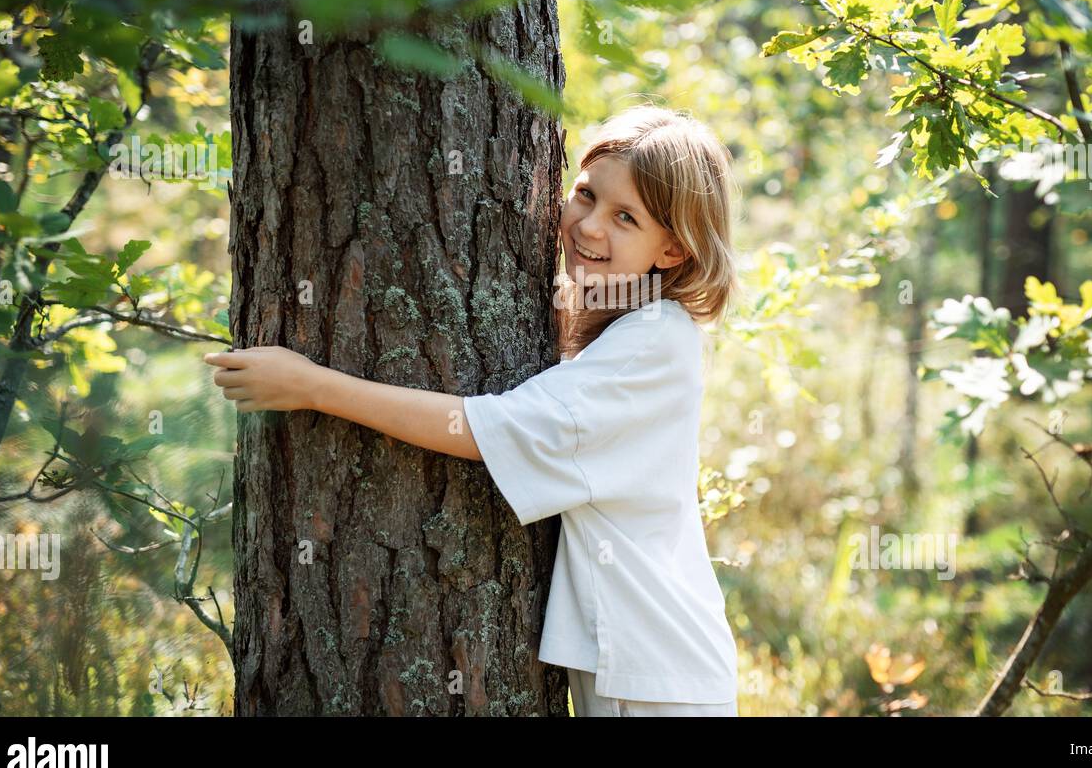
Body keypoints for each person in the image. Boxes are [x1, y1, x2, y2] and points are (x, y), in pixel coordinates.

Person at [204, 105, 743, 717]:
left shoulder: (653, 340)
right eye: (586, 195)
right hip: (640, 664)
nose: (589, 226)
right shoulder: (621, 320)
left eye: (626, 217)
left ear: (673, 248)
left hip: (654, 674)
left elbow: (489, 429)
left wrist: (313, 386)